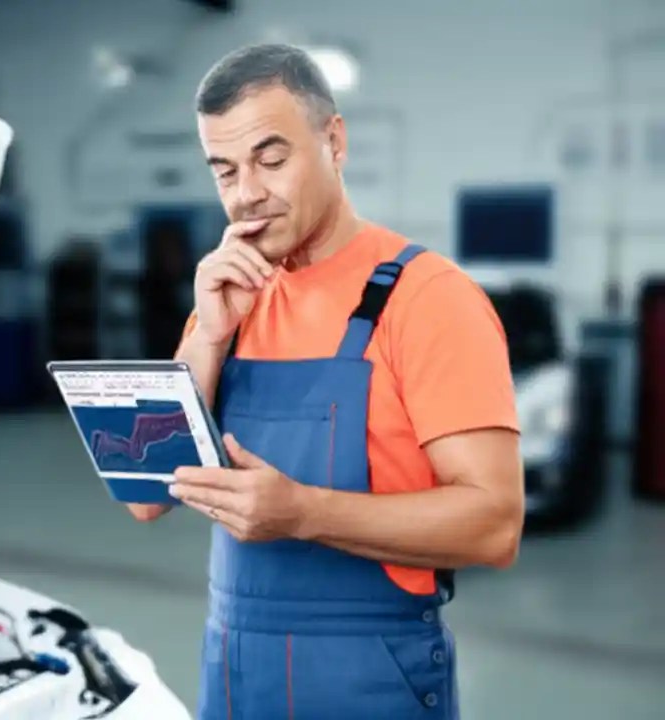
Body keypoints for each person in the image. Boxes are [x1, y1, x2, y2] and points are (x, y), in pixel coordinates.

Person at [126, 44, 524, 719]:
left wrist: (304, 513)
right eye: (224, 170)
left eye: (271, 160)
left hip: (369, 679)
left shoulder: (430, 299)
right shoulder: (229, 298)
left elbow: (494, 525)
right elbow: (147, 496)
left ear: (333, 142)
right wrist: (209, 335)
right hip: (233, 674)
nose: (246, 192)